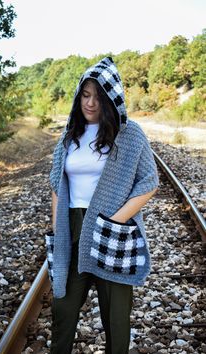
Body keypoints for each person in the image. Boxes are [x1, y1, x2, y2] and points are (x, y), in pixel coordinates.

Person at [47, 56, 159, 354]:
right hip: (72, 231)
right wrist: (58, 230)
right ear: (78, 96)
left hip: (114, 234)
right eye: (85, 95)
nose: (91, 103)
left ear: (112, 99)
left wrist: (115, 221)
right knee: (63, 310)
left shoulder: (130, 133)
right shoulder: (69, 134)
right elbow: (57, 185)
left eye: (98, 96)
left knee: (117, 320)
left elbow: (149, 182)